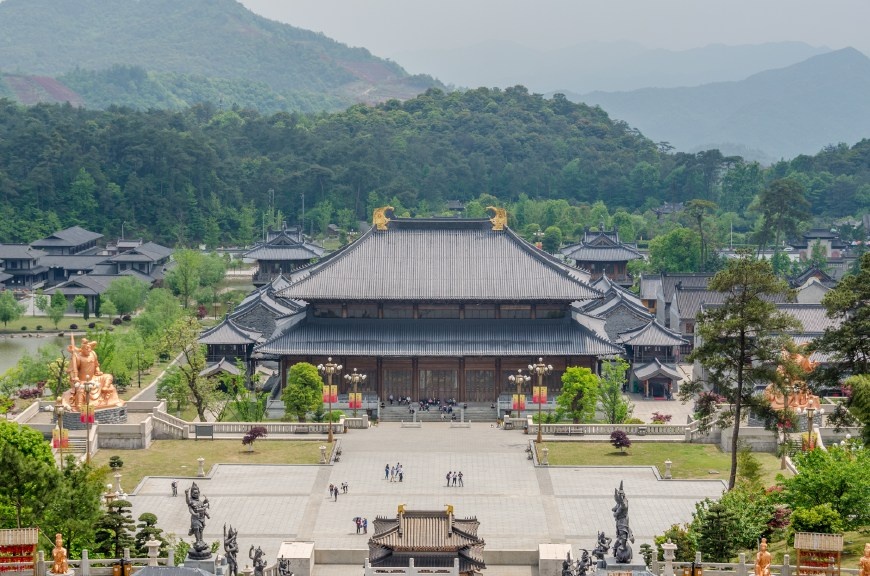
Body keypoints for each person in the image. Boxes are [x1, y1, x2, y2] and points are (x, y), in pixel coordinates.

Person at [65, 336, 122, 410]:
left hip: (94, 378)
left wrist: (98, 370)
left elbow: (96, 365)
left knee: (108, 376)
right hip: (83, 381)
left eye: (90, 348)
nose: (89, 350)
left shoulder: (93, 353)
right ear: (82, 350)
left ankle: (105, 387)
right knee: (80, 389)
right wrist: (75, 378)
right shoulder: (78, 357)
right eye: (86, 349)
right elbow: (72, 370)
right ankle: (79, 404)